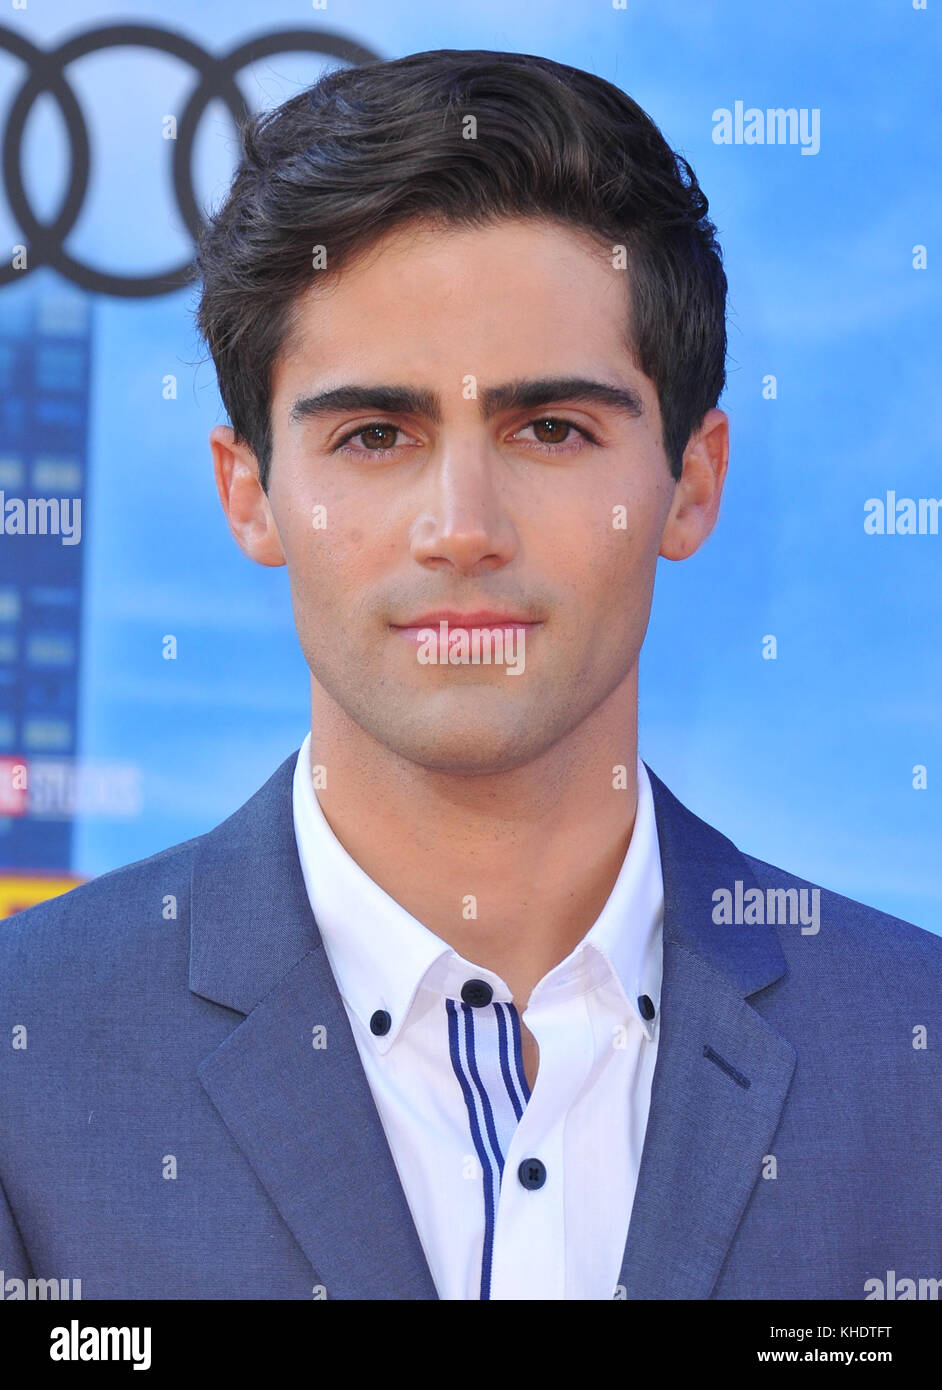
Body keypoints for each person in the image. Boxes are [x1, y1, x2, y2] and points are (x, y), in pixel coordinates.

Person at [1, 48, 939, 1303]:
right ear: (249, 490)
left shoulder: (913, 1056)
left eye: (550, 430)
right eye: (375, 436)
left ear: (693, 481)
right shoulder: (29, 1061)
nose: (462, 524)